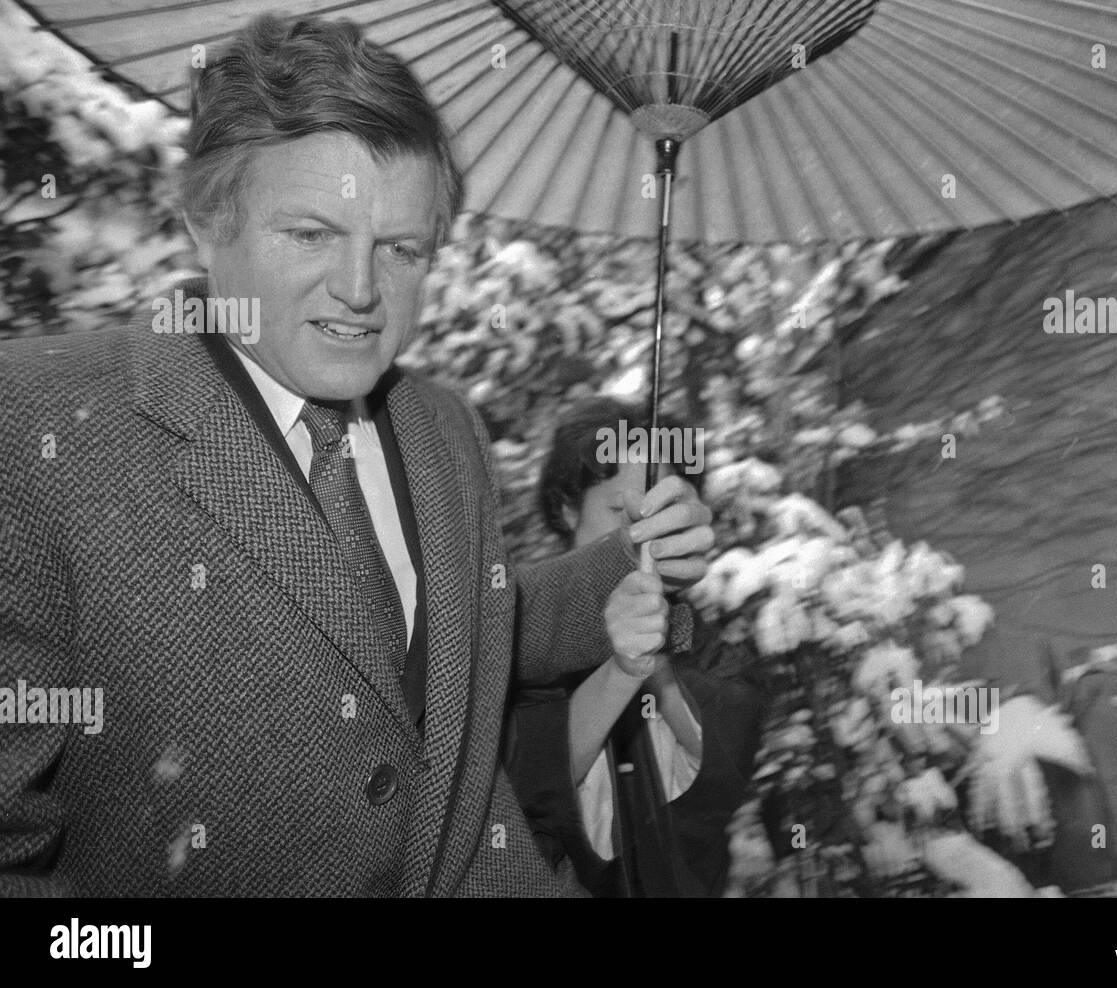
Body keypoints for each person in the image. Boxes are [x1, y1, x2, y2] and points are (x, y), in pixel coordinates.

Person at [0, 15, 713, 897]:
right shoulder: (35, 428)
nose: (362, 289)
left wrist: (629, 568)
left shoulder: (444, 429)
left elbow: (456, 637)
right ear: (207, 222)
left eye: (402, 249)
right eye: (311, 234)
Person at [506, 398, 766, 896]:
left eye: (665, 515)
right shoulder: (520, 636)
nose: (643, 536)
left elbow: (725, 764)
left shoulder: (712, 645)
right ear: (566, 509)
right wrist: (618, 665)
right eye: (618, 512)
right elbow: (523, 788)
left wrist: (656, 655)